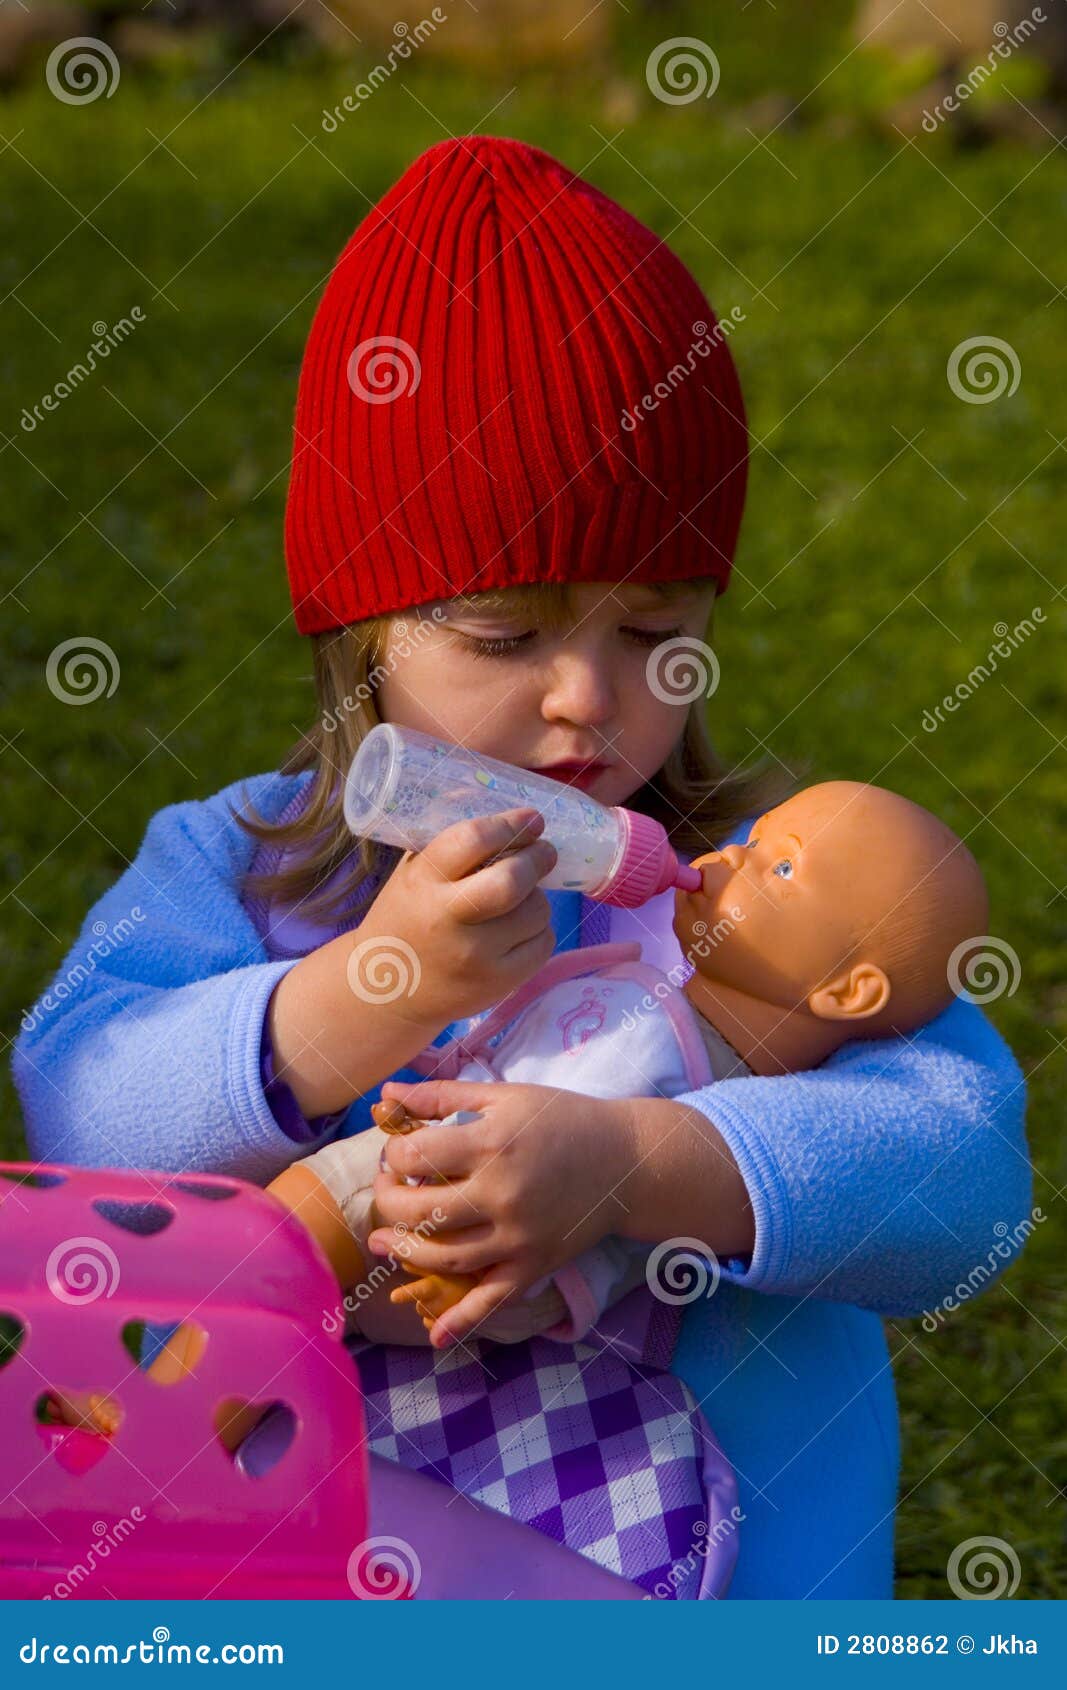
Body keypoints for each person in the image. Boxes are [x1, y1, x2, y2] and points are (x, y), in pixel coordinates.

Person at [14, 136, 1031, 1598]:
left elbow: (965, 1180)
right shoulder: (244, 863)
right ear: (362, 631)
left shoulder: (764, 893)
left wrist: (641, 1167)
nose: (585, 699)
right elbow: (81, 1105)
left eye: (652, 629)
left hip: (726, 1586)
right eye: (505, 635)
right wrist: (364, 992)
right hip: (317, 1556)